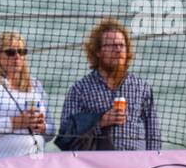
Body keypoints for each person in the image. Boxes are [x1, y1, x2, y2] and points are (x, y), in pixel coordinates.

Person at [58, 18, 161, 151]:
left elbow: (153, 134)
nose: (118, 49)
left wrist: (152, 160)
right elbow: (65, 135)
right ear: (98, 52)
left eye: (122, 45)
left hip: (135, 161)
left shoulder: (141, 88)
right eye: (111, 45)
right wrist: (100, 122)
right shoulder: (80, 90)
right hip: (96, 162)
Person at [0, 31, 53, 157]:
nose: (17, 56)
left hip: (36, 160)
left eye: (22, 52)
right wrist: (14, 123)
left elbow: (52, 131)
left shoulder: (35, 85)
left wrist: (43, 128)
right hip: (1, 161)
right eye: (10, 52)